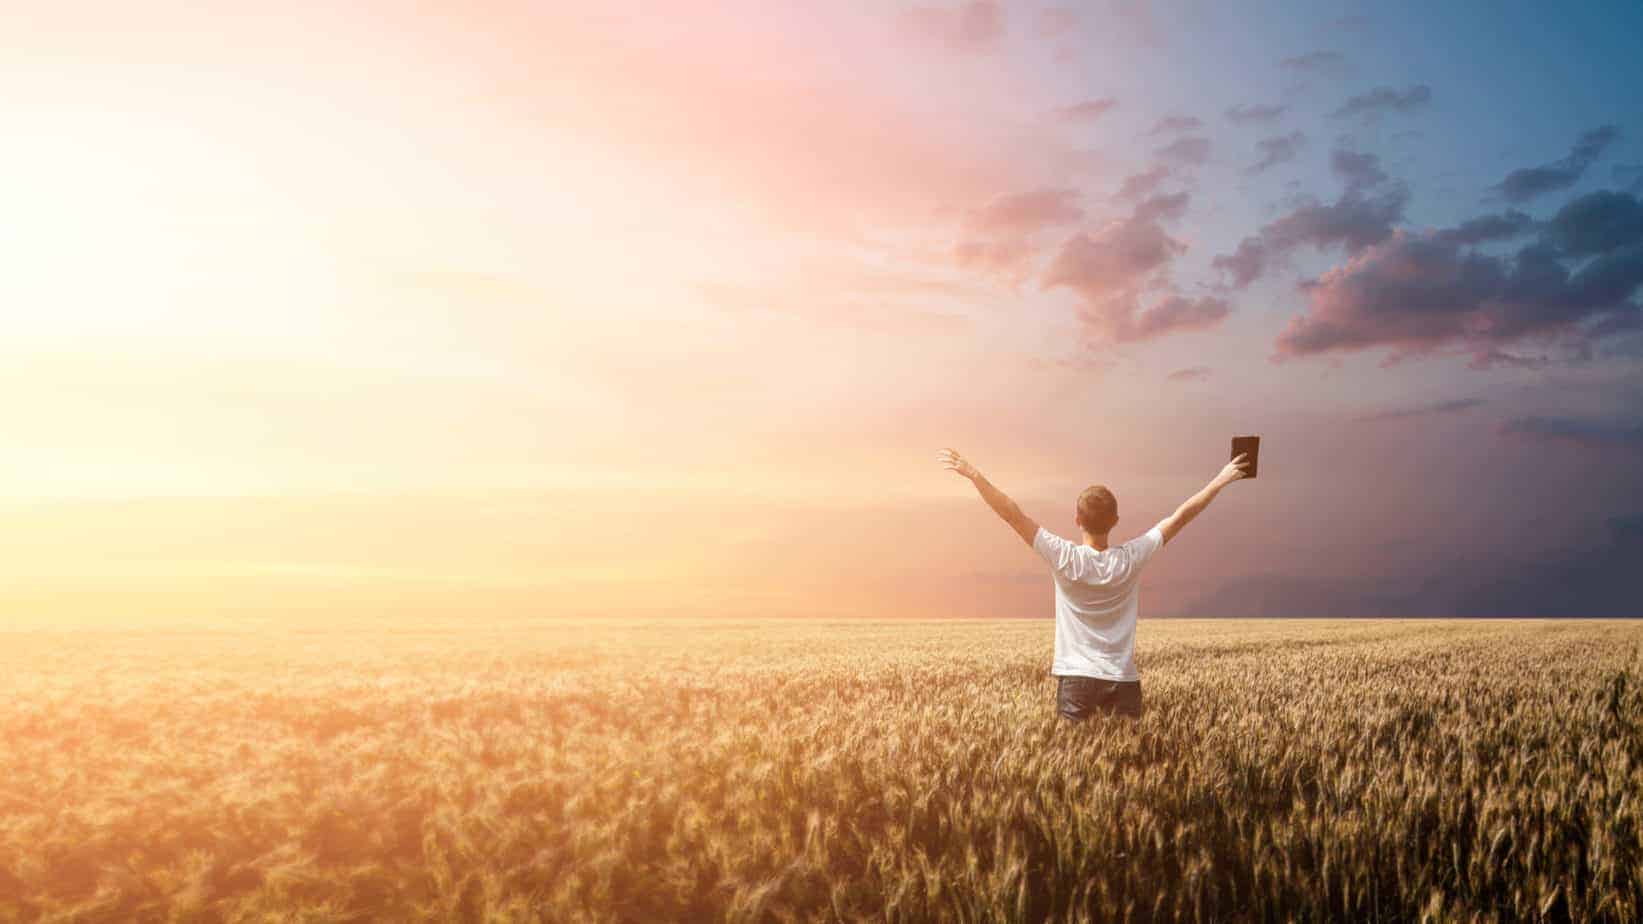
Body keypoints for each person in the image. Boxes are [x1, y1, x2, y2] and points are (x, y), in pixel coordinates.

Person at [937, 447, 1250, 720]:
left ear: (1077, 520)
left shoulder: (1064, 557)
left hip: (1076, 681)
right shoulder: (1131, 557)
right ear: (1115, 521)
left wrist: (975, 476)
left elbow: (1012, 514)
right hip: (1123, 680)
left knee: (1073, 777)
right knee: (1128, 771)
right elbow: (1180, 517)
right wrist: (1220, 479)